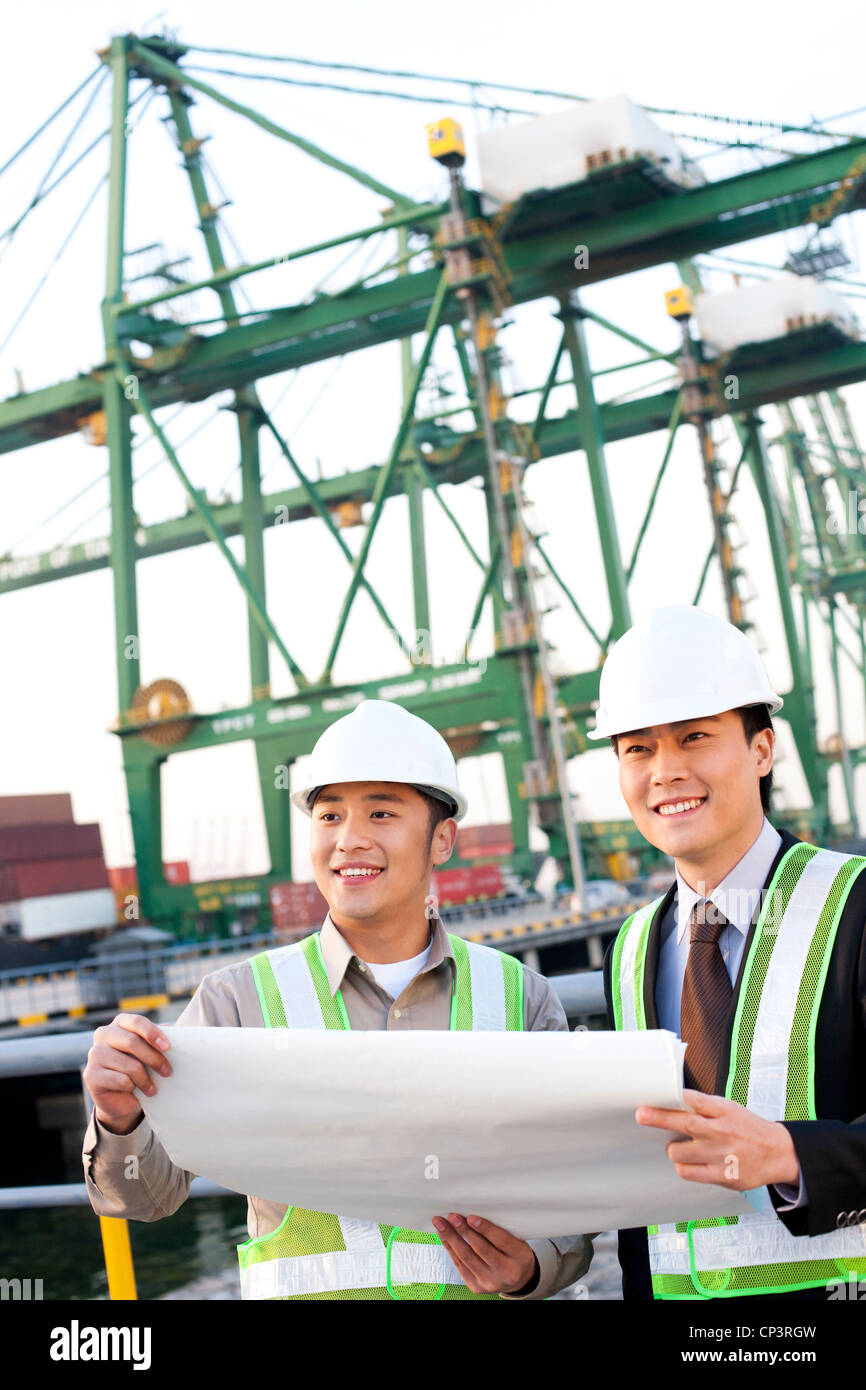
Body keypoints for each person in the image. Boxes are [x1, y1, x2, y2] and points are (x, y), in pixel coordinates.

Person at [82, 698, 592, 1300]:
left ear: (442, 839)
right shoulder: (237, 1002)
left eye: (381, 813)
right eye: (329, 816)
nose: (349, 840)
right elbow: (147, 1197)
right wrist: (120, 1117)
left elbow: (574, 1186)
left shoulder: (520, 997)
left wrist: (533, 1266)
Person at [591, 605, 866, 1301]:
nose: (666, 771)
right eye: (638, 750)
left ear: (762, 750)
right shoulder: (629, 953)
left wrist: (793, 1155)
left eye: (695, 738)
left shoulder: (856, 906)